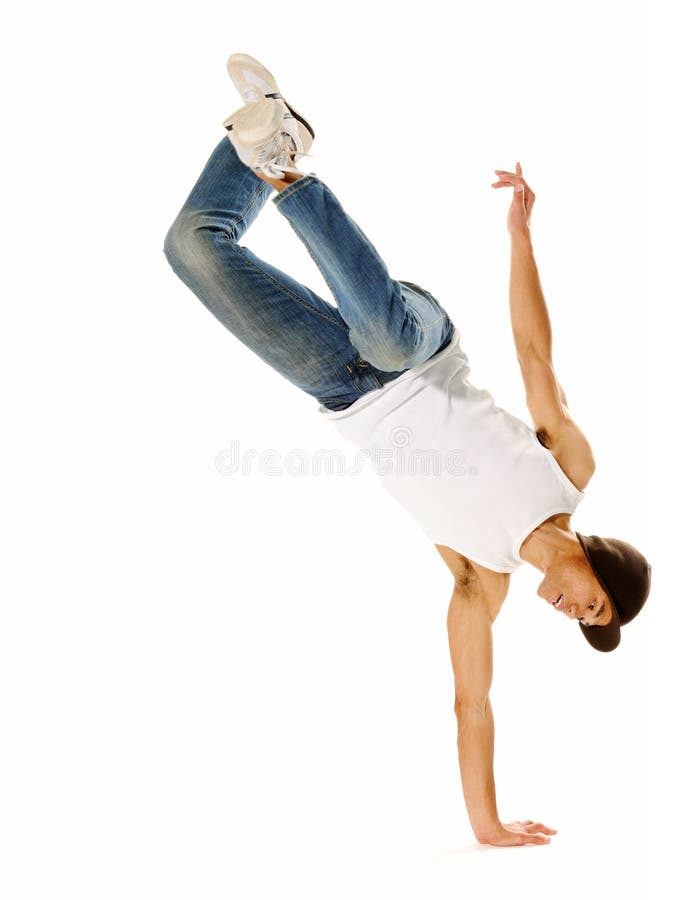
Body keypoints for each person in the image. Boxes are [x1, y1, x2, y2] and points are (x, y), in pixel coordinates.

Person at [163, 53, 652, 848]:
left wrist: (487, 825)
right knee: (388, 337)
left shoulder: (476, 577)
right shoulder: (568, 471)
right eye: (594, 604)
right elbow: (536, 356)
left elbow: (473, 706)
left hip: (342, 391)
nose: (573, 613)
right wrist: (521, 236)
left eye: (582, 622)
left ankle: (266, 139)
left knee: (192, 247)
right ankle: (288, 171)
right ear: (602, 563)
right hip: (420, 341)